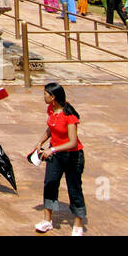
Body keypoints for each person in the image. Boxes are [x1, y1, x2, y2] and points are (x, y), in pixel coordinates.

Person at [31, 82, 86, 235]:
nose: (43, 96)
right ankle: (47, 220)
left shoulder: (70, 116)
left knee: (74, 188)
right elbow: (52, 127)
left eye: (45, 94)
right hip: (55, 155)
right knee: (50, 183)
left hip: (72, 156)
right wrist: (41, 141)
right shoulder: (51, 110)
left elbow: (72, 142)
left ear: (53, 97)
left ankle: (78, 223)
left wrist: (52, 149)